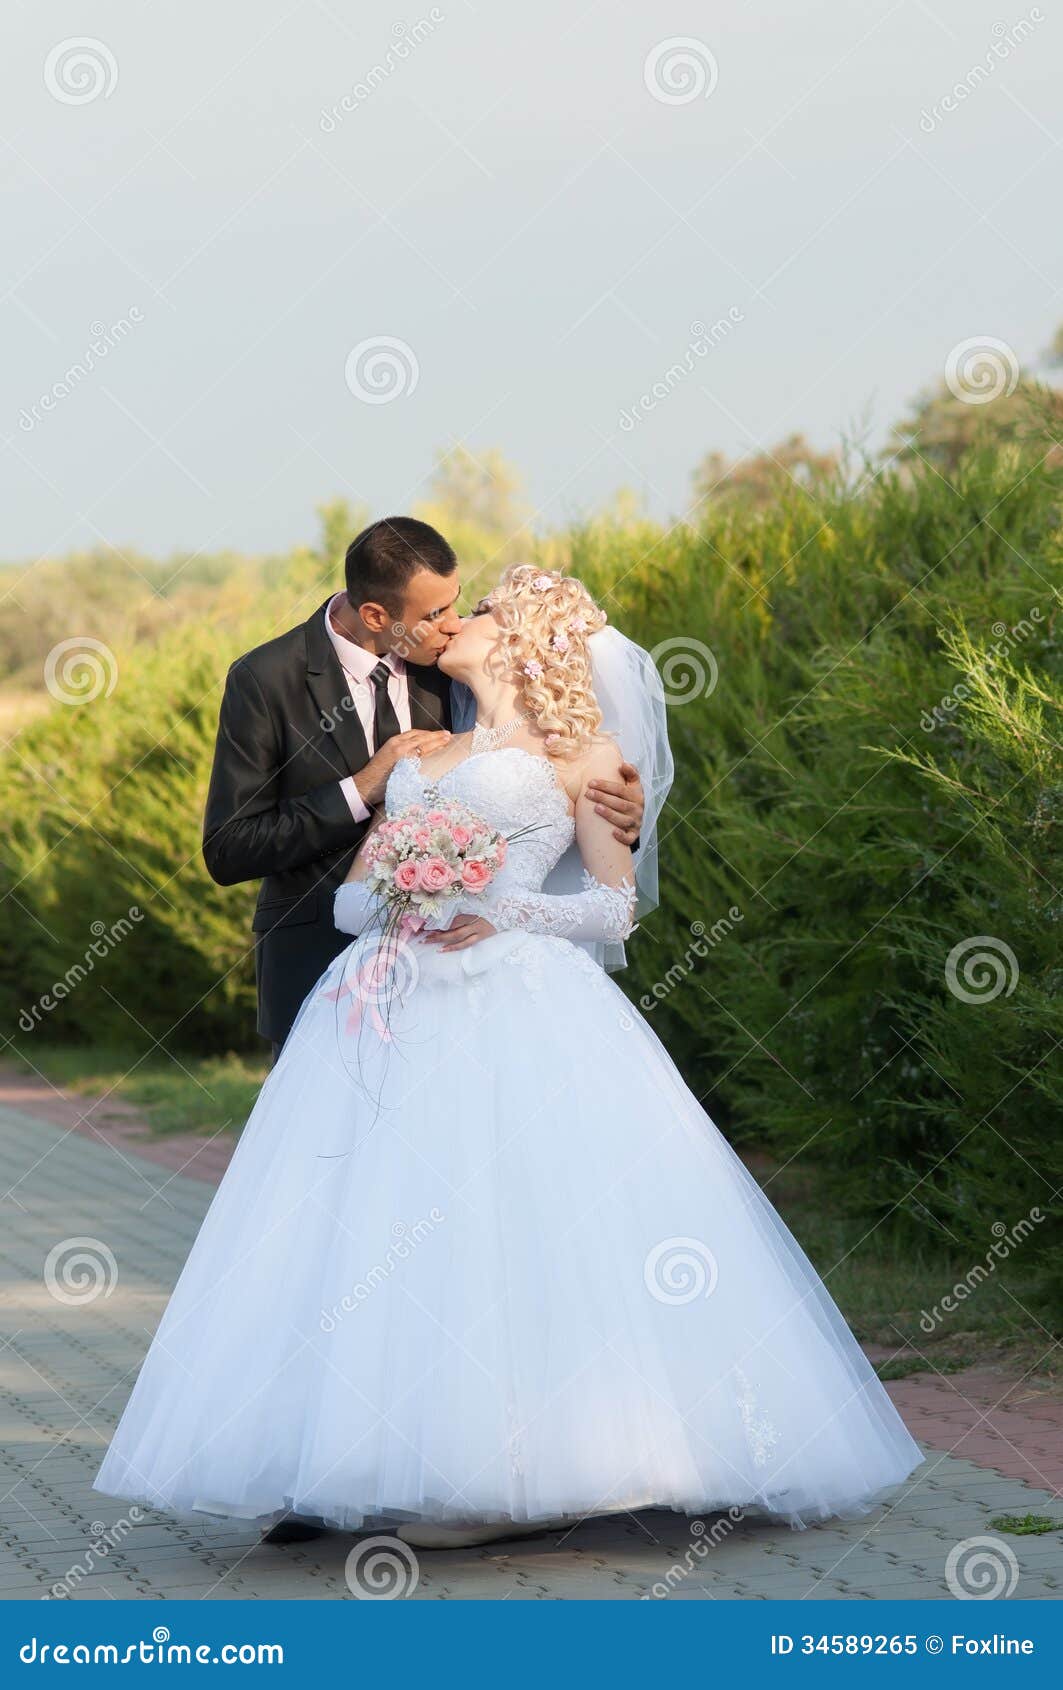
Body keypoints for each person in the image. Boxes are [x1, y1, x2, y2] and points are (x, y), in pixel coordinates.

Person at [94, 564, 922, 1553]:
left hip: (522, 1004)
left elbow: (614, 910)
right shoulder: (425, 751)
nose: (461, 622)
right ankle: (369, 1458)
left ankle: (527, 1471)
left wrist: (496, 908)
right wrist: (406, 888)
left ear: (525, 638)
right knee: (379, 1227)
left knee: (521, 1222)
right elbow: (353, 903)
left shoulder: (586, 757)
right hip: (394, 1003)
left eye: (481, 610)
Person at [202, 518, 644, 1059]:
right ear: (376, 616)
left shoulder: (447, 670)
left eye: (461, 606)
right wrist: (363, 789)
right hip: (323, 968)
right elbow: (229, 848)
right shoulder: (266, 679)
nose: (453, 625)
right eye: (436, 615)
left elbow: (549, 795)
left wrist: (619, 812)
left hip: (494, 980)